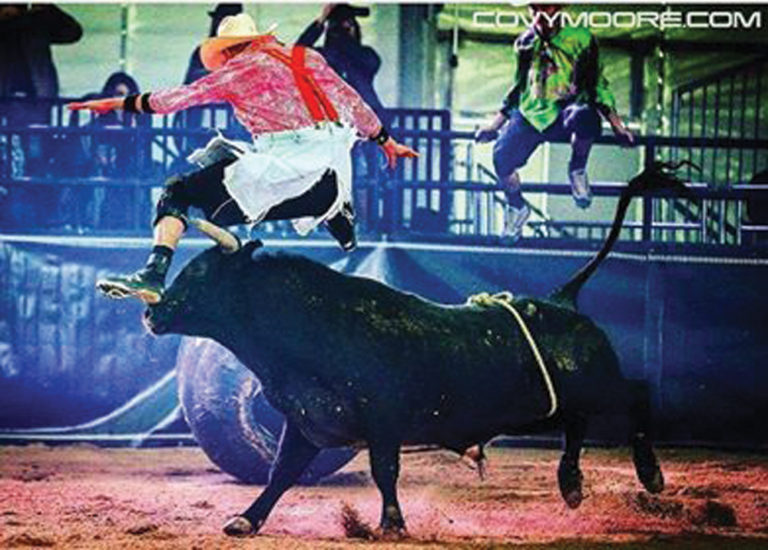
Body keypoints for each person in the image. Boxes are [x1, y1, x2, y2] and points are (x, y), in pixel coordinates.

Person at [69, 12, 417, 305]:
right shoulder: (307, 57)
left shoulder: (241, 68)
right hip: (334, 165)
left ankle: (154, 273)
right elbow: (351, 101)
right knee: (225, 197)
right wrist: (385, 140)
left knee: (180, 192)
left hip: (287, 168)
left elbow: (178, 98)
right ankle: (334, 208)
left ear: (232, 49)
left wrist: (115, 103)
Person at [475, 3, 634, 241]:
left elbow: (597, 84)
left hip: (566, 111)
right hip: (532, 113)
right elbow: (520, 86)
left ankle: (577, 168)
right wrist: (495, 125)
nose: (540, 15)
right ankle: (517, 207)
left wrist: (617, 125)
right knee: (501, 157)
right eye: (534, 8)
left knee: (586, 117)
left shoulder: (580, 39)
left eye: (546, 7)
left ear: (559, 8)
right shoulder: (525, 42)